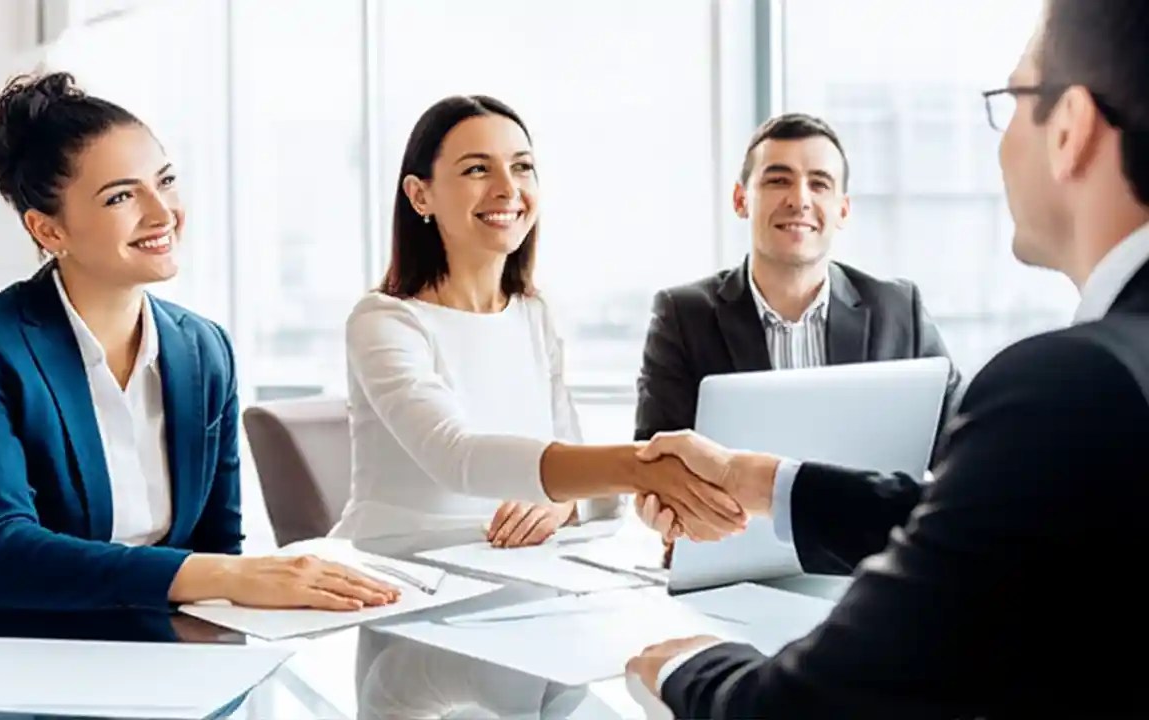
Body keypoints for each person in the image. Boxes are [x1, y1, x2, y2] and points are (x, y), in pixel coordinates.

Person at [627, 1, 1149, 716]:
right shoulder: (1106, 376)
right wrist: (769, 483)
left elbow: (805, 707)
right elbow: (977, 514)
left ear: (1069, 130)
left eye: (1013, 102)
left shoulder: (1068, 386)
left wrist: (689, 660)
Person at [0, 72, 399, 612]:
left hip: (154, 645)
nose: (162, 212)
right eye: (122, 195)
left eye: (164, 181)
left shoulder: (202, 349)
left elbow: (218, 541)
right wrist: (228, 576)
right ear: (50, 231)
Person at [329, 95, 744, 546]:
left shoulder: (533, 313)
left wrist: (562, 502)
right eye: (477, 169)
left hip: (516, 570)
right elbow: (457, 457)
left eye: (522, 167)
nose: (508, 188)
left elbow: (584, 485)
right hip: (398, 574)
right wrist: (640, 465)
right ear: (419, 194)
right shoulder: (384, 321)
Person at [635, 112, 959, 543]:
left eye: (819, 183)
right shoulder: (682, 314)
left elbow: (965, 451)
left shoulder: (899, 310)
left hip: (866, 561)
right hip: (726, 559)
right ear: (740, 199)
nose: (799, 199)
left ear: (842, 209)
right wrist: (663, 505)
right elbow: (653, 462)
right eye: (777, 180)